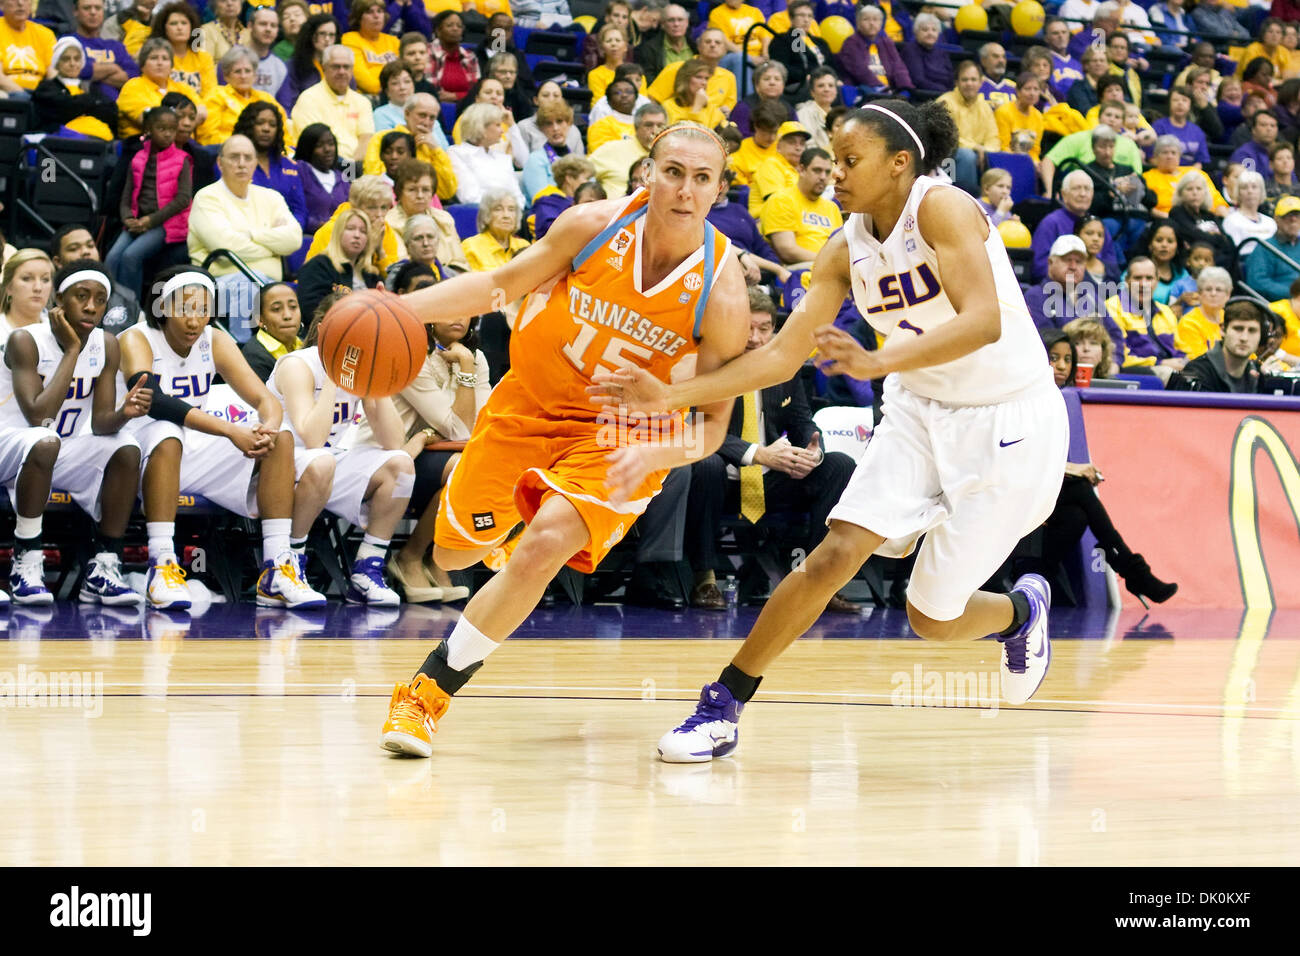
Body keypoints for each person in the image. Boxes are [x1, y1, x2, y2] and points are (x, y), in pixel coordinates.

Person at [592, 101, 1068, 763]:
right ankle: (722, 705)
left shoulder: (943, 208)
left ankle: (1020, 612)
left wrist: (878, 361)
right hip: (920, 411)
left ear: (900, 164)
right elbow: (781, 355)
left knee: (930, 618)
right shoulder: (843, 249)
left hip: (1009, 419)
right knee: (832, 555)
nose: (835, 174)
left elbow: (983, 320)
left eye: (850, 161)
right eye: (833, 159)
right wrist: (669, 393)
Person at [378, 121, 750, 757]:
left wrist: (655, 452)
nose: (684, 190)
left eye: (701, 178)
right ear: (647, 174)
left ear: (718, 190)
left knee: (545, 542)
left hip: (623, 435)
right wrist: (397, 309)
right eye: (672, 172)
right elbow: (499, 286)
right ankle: (512, 540)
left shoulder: (721, 290)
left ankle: (426, 694)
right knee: (452, 557)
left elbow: (712, 427)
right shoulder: (590, 226)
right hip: (527, 406)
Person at [118, 265, 328, 611]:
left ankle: (276, 568)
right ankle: (162, 564)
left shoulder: (214, 340)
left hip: (193, 449)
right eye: (185, 309)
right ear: (162, 307)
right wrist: (231, 430)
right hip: (135, 451)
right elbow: (153, 399)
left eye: (203, 310)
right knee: (167, 432)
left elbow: (265, 400)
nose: (194, 320)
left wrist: (268, 428)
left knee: (282, 438)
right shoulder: (136, 338)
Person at [684, 287, 859, 613]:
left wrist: (811, 450)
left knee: (838, 465)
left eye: (764, 329)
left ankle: (818, 580)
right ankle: (705, 580)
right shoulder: (708, 365)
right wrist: (757, 453)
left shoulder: (784, 368)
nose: (755, 337)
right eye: (748, 328)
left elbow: (802, 421)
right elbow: (698, 427)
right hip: (725, 479)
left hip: (772, 479)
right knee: (705, 465)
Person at [5, 260, 150, 605]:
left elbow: (100, 423)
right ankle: (25, 559)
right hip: (10, 445)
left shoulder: (107, 344)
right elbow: (39, 417)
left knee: (126, 447)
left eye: (100, 299)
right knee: (44, 439)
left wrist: (124, 413)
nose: (91, 306)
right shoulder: (25, 340)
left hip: (57, 450)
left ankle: (104, 566)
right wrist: (72, 351)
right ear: (59, 299)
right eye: (81, 296)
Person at [268, 303, 417, 606]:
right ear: (324, 330)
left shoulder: (360, 368)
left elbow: (394, 441)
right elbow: (312, 438)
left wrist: (374, 382)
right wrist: (334, 377)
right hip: (281, 464)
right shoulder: (298, 365)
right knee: (321, 459)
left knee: (400, 466)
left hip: (326, 464)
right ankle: (289, 564)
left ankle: (367, 567)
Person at [1034, 329, 1178, 605]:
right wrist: (1072, 470)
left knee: (1076, 515)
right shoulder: (1024, 400)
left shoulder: (1054, 401)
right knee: (1079, 487)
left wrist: (1068, 469)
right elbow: (1022, 458)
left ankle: (1041, 573)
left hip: (1040, 487)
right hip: (1009, 486)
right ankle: (1134, 571)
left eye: (1067, 359)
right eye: (1053, 358)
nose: (1062, 366)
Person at [370, 310, 488, 603]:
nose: (460, 316)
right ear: (431, 317)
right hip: (396, 456)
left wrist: (467, 363)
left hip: (438, 452)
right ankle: (410, 557)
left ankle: (434, 560)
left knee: (478, 472)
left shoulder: (477, 357)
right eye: (450, 308)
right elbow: (459, 427)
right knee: (465, 470)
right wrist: (465, 367)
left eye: (466, 309)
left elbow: (480, 422)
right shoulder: (414, 359)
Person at [0, 251, 65, 603]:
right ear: (8, 286)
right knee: (42, 437)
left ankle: (28, 563)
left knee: (45, 439)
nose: (38, 287)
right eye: (27, 278)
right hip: (10, 436)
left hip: (44, 439)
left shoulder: (63, 333)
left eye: (45, 279)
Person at [106, 104, 193, 302]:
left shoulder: (182, 159)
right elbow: (126, 195)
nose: (168, 134)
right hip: (137, 221)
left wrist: (150, 221)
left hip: (166, 224)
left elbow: (183, 199)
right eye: (162, 129)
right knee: (112, 257)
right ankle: (109, 305)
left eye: (172, 129)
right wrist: (128, 218)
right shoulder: (137, 158)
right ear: (149, 130)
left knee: (131, 256)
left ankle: (131, 309)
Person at [234, 101, 308, 269]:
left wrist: (288, 232)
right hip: (250, 243)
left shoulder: (290, 166)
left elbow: (300, 210)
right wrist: (270, 235)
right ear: (248, 125)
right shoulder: (231, 164)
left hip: (288, 240)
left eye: (272, 124)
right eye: (260, 123)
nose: (266, 128)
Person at [290, 44, 375, 163]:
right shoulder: (309, 98)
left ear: (352, 70)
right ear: (324, 68)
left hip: (355, 166)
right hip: (320, 165)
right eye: (336, 67)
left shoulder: (362, 102)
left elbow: (366, 139)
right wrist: (347, 169)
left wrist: (352, 166)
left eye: (346, 67)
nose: (341, 72)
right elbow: (314, 144)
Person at [1180, 301, 1291, 392]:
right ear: (1223, 330)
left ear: (1261, 337)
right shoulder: (1196, 372)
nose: (1244, 338)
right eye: (1238, 329)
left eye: (1252, 331)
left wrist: (1271, 382)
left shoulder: (1259, 374)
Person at [1105, 256, 1186, 381]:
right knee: (1168, 373)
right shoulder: (1112, 308)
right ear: (1127, 281)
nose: (1143, 284)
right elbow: (1119, 357)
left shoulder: (1165, 311)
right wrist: (1160, 363)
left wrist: (1185, 361)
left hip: (1169, 368)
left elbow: (1180, 348)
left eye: (1149, 278)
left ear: (1157, 281)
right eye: (1137, 278)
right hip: (1134, 371)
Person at [759, 147, 842, 269]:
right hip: (800, 269)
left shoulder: (832, 208)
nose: (823, 177)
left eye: (827, 172)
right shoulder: (781, 200)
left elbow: (839, 247)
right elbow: (787, 251)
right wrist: (830, 261)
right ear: (801, 169)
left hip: (831, 268)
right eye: (817, 170)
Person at [295, 207, 381, 322]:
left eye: (363, 231)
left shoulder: (371, 273)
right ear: (338, 233)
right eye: (350, 229)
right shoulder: (318, 266)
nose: (357, 235)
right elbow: (311, 311)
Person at [51, 224, 140, 335]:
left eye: (90, 246)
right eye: (74, 248)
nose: (85, 251)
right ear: (58, 261)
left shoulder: (127, 298)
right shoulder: (44, 296)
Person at [1031, 171, 1119, 280]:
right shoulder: (1051, 223)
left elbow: (1112, 266)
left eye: (1087, 189)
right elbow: (1039, 268)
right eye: (1076, 188)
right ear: (1064, 194)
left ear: (1092, 194)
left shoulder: (1098, 226)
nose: (1083, 194)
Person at [196, 46, 290, 147]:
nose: (243, 76)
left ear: (255, 76)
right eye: (237, 71)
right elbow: (207, 137)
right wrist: (244, 145)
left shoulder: (266, 99)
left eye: (248, 71)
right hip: (227, 153)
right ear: (226, 76)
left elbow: (285, 136)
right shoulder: (216, 97)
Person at [32, 36, 118, 138]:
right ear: (57, 63)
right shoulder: (46, 87)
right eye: (66, 59)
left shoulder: (91, 87)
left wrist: (79, 105)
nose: (72, 64)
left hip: (101, 139)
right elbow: (64, 109)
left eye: (77, 59)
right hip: (65, 142)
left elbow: (111, 112)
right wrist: (92, 103)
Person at [937, 60, 1000, 196]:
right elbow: (946, 138)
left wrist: (986, 151)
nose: (969, 84)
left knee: (996, 156)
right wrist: (976, 148)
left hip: (977, 157)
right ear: (957, 82)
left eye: (973, 79)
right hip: (947, 159)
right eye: (964, 80)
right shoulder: (945, 102)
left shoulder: (984, 106)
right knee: (967, 156)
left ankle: (991, 202)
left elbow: (993, 138)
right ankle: (967, 198)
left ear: (981, 82)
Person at [116, 36, 197, 137]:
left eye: (165, 59)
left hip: (186, 146)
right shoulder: (133, 86)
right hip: (144, 146)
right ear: (142, 65)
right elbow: (149, 119)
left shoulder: (183, 88)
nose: (160, 63)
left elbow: (202, 112)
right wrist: (186, 118)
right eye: (154, 58)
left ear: (171, 65)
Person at [447, 103, 524, 208]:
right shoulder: (457, 153)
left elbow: (518, 197)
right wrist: (503, 208)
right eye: (497, 125)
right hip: (479, 216)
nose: (502, 130)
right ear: (481, 127)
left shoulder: (502, 158)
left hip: (512, 216)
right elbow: (469, 197)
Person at [591, 102, 665, 198]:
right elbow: (579, 173)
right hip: (614, 210)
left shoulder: (671, 156)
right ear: (636, 128)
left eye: (660, 126)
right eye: (648, 125)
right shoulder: (611, 149)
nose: (655, 131)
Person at [295, 123, 353, 242]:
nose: (327, 149)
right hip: (309, 239)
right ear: (308, 149)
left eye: (331, 144)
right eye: (319, 145)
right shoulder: (299, 171)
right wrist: (321, 226)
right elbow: (296, 209)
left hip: (341, 240)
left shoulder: (343, 178)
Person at [150, 1, 216, 103]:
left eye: (184, 23)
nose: (179, 28)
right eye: (173, 23)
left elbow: (210, 93)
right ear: (164, 29)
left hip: (200, 111)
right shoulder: (156, 57)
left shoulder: (203, 57)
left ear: (192, 27)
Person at [71, 0, 139, 99]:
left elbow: (134, 75)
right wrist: (113, 68)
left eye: (98, 8)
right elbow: (79, 70)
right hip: (83, 105)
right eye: (87, 8)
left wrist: (95, 74)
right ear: (75, 11)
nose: (93, 12)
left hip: (118, 107)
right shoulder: (68, 42)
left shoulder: (115, 46)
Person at [838, 5, 913, 95]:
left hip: (889, 90)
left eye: (875, 19)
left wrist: (905, 87)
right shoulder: (851, 43)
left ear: (881, 23)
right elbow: (859, 70)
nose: (871, 23)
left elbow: (898, 67)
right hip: (864, 90)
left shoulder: (886, 42)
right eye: (866, 19)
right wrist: (881, 88)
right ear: (858, 23)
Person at [768, 0, 832, 102]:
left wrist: (834, 78)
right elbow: (781, 67)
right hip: (799, 85)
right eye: (801, 15)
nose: (806, 20)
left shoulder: (820, 42)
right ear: (791, 18)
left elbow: (832, 65)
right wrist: (807, 76)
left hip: (825, 84)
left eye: (809, 16)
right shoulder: (783, 40)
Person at [240, 282, 304, 383]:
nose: (287, 315)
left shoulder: (308, 345)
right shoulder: (254, 356)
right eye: (276, 309)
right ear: (259, 320)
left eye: (293, 306)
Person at [749, 121, 812, 217]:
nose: (798, 148)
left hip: (797, 218)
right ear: (778, 146)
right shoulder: (770, 164)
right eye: (792, 142)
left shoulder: (802, 169)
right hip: (767, 220)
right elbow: (777, 202)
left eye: (802, 143)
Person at [277, 12, 337, 113]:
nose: (327, 39)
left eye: (331, 35)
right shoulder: (293, 66)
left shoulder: (341, 66)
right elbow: (287, 105)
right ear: (310, 35)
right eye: (322, 34)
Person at [461, 190, 530, 273]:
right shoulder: (470, 246)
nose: (506, 215)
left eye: (511, 210)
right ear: (486, 214)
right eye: (498, 209)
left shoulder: (525, 246)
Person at [1245, 196, 1300, 299]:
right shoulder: (1264, 247)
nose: (1293, 219)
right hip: (1281, 303)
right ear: (1277, 219)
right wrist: (1292, 294)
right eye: (1288, 216)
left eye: (1297, 215)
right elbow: (1257, 282)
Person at [531, 155, 597, 240]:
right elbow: (553, 234)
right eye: (586, 178)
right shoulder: (547, 201)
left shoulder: (576, 199)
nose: (589, 183)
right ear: (569, 178)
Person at [342, 0, 400, 97]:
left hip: (397, 93)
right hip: (368, 97)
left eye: (379, 11)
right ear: (359, 18)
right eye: (369, 12)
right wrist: (391, 89)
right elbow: (364, 80)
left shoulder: (394, 41)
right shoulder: (349, 40)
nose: (376, 16)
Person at [1173, 266, 1232, 359]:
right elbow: (1198, 362)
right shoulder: (1189, 323)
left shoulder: (1230, 318)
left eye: (1219, 290)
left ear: (1228, 295)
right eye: (1208, 289)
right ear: (1199, 294)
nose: (1213, 293)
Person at [0, 0, 55, 95]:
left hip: (39, 94)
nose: (20, 3)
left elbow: (53, 73)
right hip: (7, 93)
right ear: (1, 5)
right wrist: (24, 96)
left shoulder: (45, 34)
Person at [728, 62, 795, 139]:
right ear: (757, 85)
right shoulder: (743, 107)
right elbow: (738, 137)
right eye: (766, 79)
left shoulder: (788, 108)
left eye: (777, 79)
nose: (772, 83)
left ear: (783, 85)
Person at [429, 10, 479, 103]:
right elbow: (428, 88)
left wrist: (456, 96)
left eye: (459, 26)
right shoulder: (427, 53)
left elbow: (477, 91)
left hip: (466, 106)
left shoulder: (470, 57)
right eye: (449, 25)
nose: (455, 28)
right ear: (438, 30)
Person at [636, 2, 692, 81]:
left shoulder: (696, 47)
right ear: (662, 24)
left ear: (687, 23)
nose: (676, 24)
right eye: (671, 20)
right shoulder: (649, 49)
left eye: (680, 20)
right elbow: (649, 80)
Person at [899, 12, 952, 94]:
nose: (930, 33)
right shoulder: (910, 50)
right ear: (916, 32)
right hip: (923, 95)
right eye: (925, 30)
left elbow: (950, 77)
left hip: (944, 94)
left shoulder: (941, 51)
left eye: (934, 30)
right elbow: (918, 80)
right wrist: (945, 92)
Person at [796, 67, 841, 154]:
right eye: (821, 86)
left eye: (831, 86)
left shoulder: (839, 115)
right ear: (812, 92)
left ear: (836, 91)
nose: (826, 89)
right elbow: (808, 146)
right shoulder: (803, 113)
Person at [246, 7, 286, 100]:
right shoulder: (232, 60)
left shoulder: (280, 67)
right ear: (250, 26)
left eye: (273, 25)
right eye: (263, 24)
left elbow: (284, 106)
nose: (268, 29)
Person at [197, 0, 247, 64]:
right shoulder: (205, 31)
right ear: (215, 6)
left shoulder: (248, 33)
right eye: (223, 0)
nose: (229, 3)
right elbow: (203, 66)